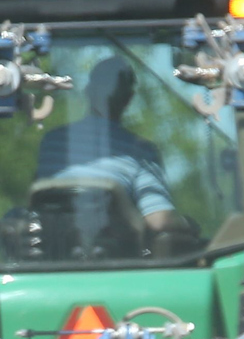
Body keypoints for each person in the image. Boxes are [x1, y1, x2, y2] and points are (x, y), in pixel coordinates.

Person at [32, 58, 197, 253]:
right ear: (128, 99)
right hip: (116, 261)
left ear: (88, 92)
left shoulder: (52, 141)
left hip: (53, 259)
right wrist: (186, 224)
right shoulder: (140, 152)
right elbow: (159, 220)